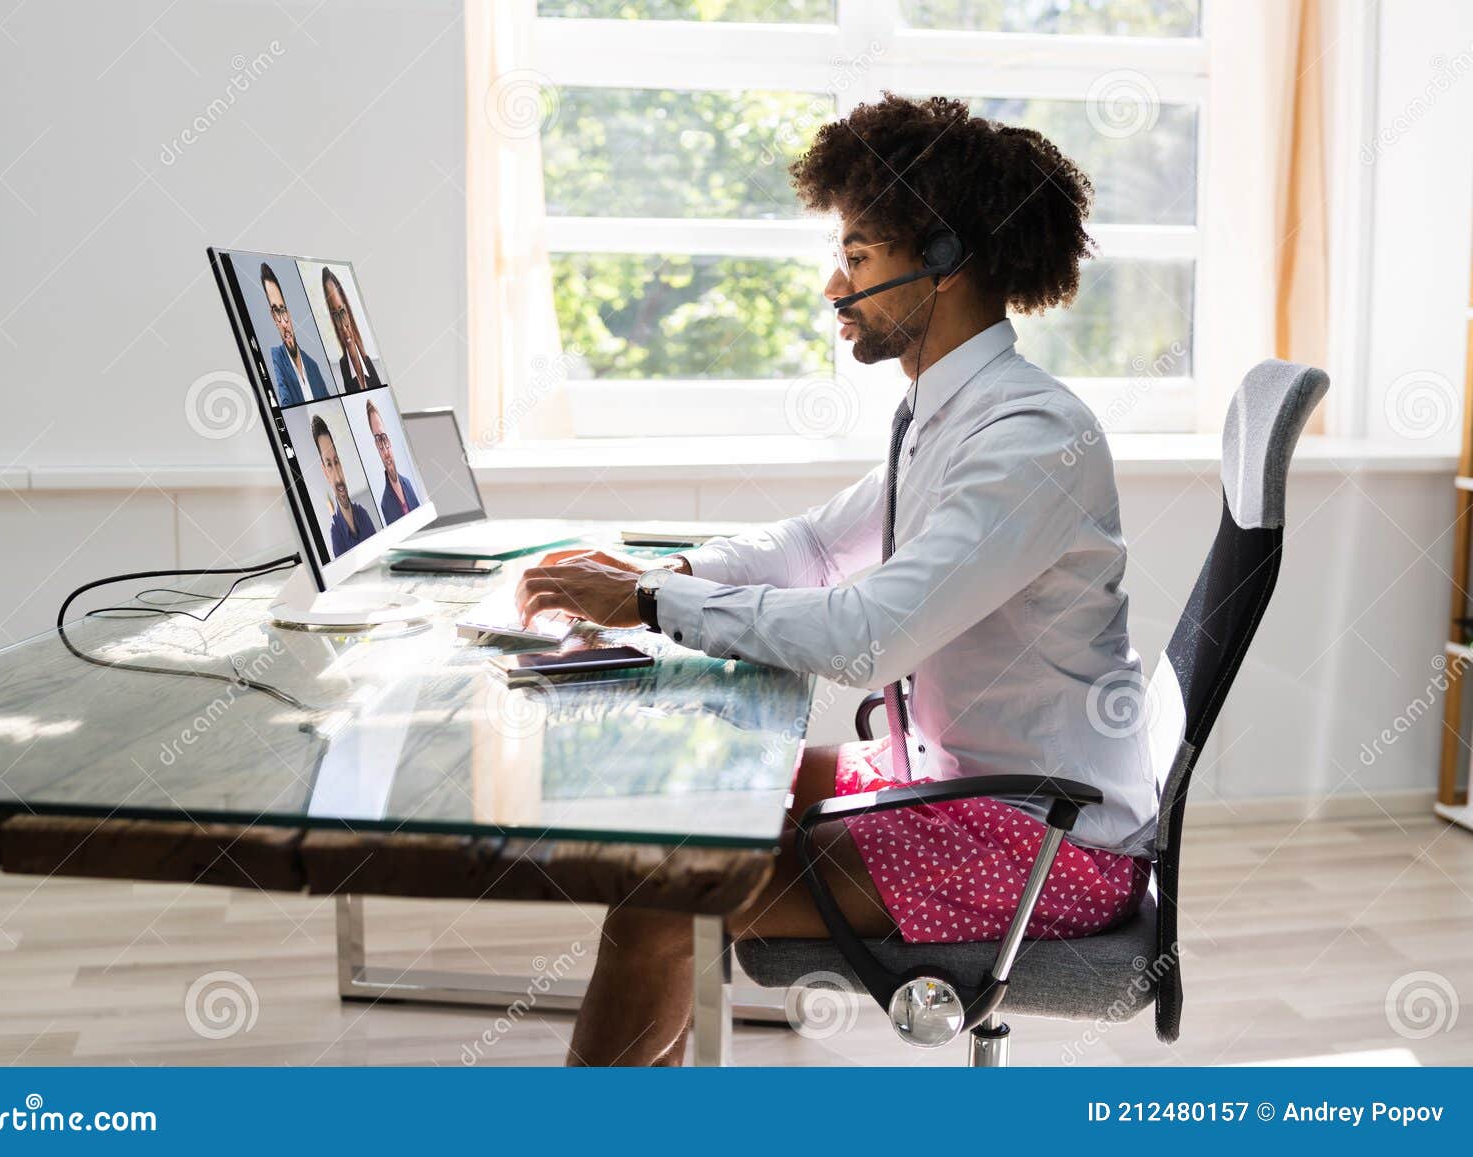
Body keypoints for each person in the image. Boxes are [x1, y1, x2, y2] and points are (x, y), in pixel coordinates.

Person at [514, 95, 1159, 1066]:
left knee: (661, 891)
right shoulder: (949, 413)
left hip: (1043, 841)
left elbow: (867, 637)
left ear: (940, 263)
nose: (833, 284)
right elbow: (814, 549)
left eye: (857, 257)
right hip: (963, 785)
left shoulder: (1028, 439)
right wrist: (660, 573)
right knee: (680, 821)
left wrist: (650, 604)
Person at [260, 263, 330, 406]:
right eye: (276, 313)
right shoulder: (277, 357)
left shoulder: (313, 366)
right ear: (273, 318)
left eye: (283, 310)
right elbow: (284, 399)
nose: (284, 323)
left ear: (289, 313)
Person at [311, 413, 375, 555]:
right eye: (329, 464)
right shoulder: (336, 535)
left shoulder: (363, 514)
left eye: (336, 461)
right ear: (325, 472)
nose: (338, 476)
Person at [322, 266, 385, 392]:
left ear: (348, 311)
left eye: (342, 312)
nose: (344, 329)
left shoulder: (369, 360)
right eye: (335, 315)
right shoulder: (343, 367)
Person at [366, 399, 420, 523]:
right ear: (376, 446)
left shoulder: (408, 484)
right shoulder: (385, 504)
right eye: (378, 440)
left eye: (384, 438)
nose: (384, 449)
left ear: (389, 441)